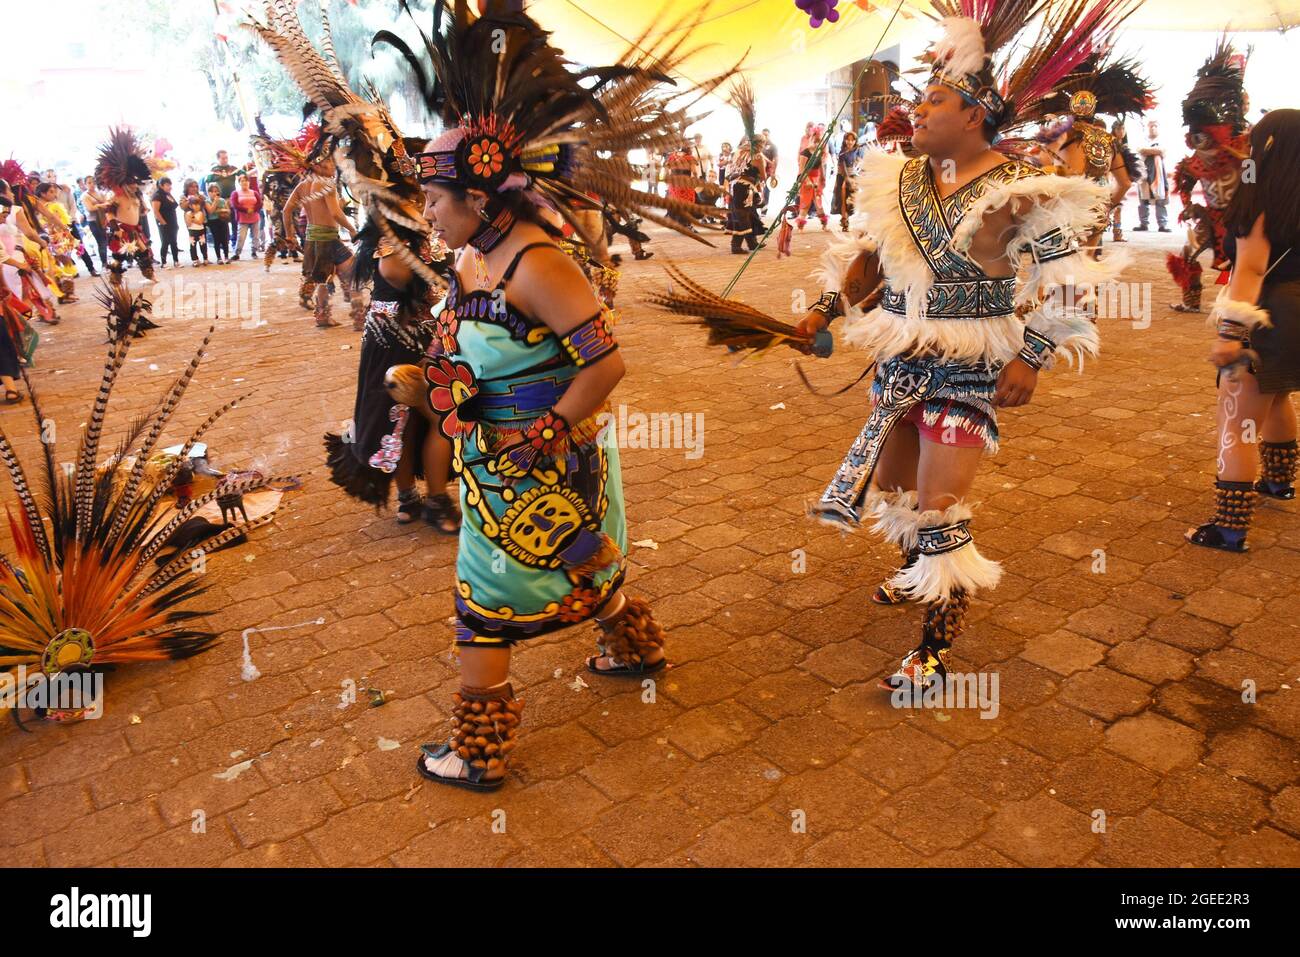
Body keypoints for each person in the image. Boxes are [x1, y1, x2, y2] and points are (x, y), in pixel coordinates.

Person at [245, 0, 723, 791]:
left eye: (436, 197)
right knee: (586, 563)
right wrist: (442, 380)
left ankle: (480, 750)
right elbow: (475, 348)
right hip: (500, 455)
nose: (426, 212)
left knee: (482, 603)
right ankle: (635, 645)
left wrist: (545, 433)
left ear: (482, 198)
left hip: (535, 459)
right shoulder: (474, 260)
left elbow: (607, 365)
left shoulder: (539, 264)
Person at [794, 0, 1126, 692]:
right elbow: (870, 259)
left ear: (974, 114)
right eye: (919, 102)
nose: (915, 112)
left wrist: (1031, 356)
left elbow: (1071, 283)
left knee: (940, 505)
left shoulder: (1017, 189)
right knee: (894, 487)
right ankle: (920, 575)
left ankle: (935, 650)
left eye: (934, 101)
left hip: (971, 369)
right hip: (898, 358)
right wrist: (825, 310)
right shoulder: (901, 179)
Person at [1185, 109, 1300, 552]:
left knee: (1237, 422)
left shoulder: (1261, 204)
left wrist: (1230, 334)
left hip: (1267, 315)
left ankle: (1229, 529)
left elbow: (1250, 271)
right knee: (1279, 396)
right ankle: (1279, 484)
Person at [1166, 41, 1251, 313]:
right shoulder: (1195, 159)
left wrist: (1246, 162)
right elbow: (1184, 184)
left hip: (1240, 217)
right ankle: (1192, 300)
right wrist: (1189, 205)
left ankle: (1240, 308)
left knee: (1243, 261)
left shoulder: (1244, 147)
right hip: (1211, 217)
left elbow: (1254, 180)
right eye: (1196, 137)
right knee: (1187, 254)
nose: (1199, 141)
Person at [281, 150, 357, 327]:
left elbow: (286, 211)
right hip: (328, 239)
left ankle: (323, 315)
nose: (332, 166)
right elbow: (335, 213)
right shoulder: (326, 184)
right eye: (328, 163)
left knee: (323, 277)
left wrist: (289, 235)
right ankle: (359, 314)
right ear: (316, 166)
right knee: (352, 269)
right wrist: (352, 229)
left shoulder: (302, 186)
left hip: (313, 238)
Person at [94, 127, 158, 299]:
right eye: (131, 183)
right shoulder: (116, 196)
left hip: (135, 229)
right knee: (119, 255)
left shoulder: (136, 195)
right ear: (124, 183)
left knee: (144, 251)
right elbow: (109, 213)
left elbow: (140, 209)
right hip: (122, 230)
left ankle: (149, 274)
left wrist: (143, 209)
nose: (135, 186)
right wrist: (115, 228)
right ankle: (115, 280)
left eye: (136, 183)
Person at [1136, 118, 1169, 233]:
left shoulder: (1163, 139)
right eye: (1151, 126)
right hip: (1144, 171)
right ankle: (1143, 224)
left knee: (1160, 198)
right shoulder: (1143, 139)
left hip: (1158, 172)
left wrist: (1148, 150)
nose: (1153, 128)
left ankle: (1162, 224)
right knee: (1143, 199)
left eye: (1155, 125)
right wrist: (1154, 150)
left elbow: (1162, 150)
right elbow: (1140, 150)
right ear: (1147, 127)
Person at [796, 123, 829, 230]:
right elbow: (802, 169)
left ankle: (824, 225)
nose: (816, 144)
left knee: (819, 204)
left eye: (818, 142)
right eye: (815, 141)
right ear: (811, 139)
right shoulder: (805, 152)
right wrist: (807, 181)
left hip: (816, 180)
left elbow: (821, 167)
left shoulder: (819, 153)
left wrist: (823, 178)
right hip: (806, 179)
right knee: (805, 204)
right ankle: (800, 226)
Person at [833, 129, 864, 231]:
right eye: (848, 139)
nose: (850, 142)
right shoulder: (842, 153)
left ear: (855, 141)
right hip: (843, 178)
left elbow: (861, 163)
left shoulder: (858, 150)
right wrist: (847, 179)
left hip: (854, 177)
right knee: (843, 199)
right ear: (844, 140)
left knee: (851, 200)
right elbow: (843, 169)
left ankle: (847, 218)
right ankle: (844, 220)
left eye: (852, 140)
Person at [230, 173, 262, 259]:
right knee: (241, 237)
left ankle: (254, 252)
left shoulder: (254, 192)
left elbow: (260, 203)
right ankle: (237, 253)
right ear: (239, 182)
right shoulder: (235, 193)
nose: (245, 182)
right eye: (242, 181)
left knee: (256, 236)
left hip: (255, 218)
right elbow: (234, 205)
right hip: (242, 219)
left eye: (246, 180)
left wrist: (253, 209)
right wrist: (246, 210)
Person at [151, 177, 181, 268]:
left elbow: (174, 205)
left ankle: (176, 261)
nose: (169, 187)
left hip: (173, 220)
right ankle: (164, 263)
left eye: (170, 185)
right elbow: (156, 211)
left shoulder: (168, 194)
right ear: (161, 185)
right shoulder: (157, 196)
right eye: (167, 185)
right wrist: (163, 223)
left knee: (174, 241)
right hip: (164, 221)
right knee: (165, 242)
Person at [181, 180, 210, 266]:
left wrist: (200, 198)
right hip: (191, 227)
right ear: (187, 187)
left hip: (201, 222)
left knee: (203, 243)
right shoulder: (183, 197)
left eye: (196, 186)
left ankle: (205, 258)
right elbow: (182, 207)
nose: (194, 188)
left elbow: (205, 203)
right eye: (192, 186)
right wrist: (190, 200)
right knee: (193, 244)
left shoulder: (200, 195)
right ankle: (195, 259)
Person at [205, 182, 232, 264]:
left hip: (223, 221)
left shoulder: (222, 200)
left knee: (225, 239)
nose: (214, 193)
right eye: (212, 191)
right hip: (213, 222)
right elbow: (210, 211)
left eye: (216, 191)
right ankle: (219, 257)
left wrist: (221, 210)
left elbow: (228, 210)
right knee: (216, 240)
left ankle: (226, 257)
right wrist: (216, 202)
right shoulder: (207, 201)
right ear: (208, 192)